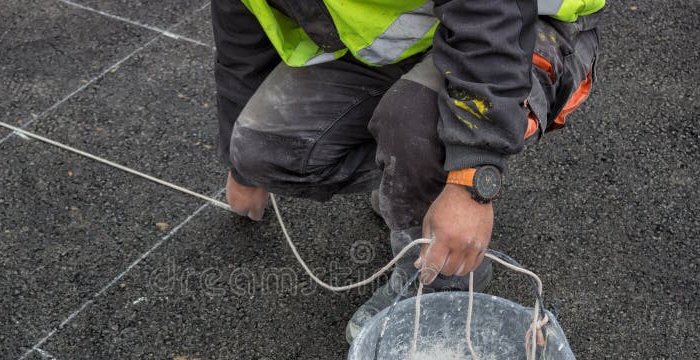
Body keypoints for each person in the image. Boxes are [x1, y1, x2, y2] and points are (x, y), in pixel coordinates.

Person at [212, 0, 603, 342]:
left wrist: (472, 181)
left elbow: (489, 13)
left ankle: (445, 285)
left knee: (415, 122)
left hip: (522, 26)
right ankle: (415, 180)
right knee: (262, 149)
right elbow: (242, 43)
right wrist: (243, 169)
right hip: (420, 30)